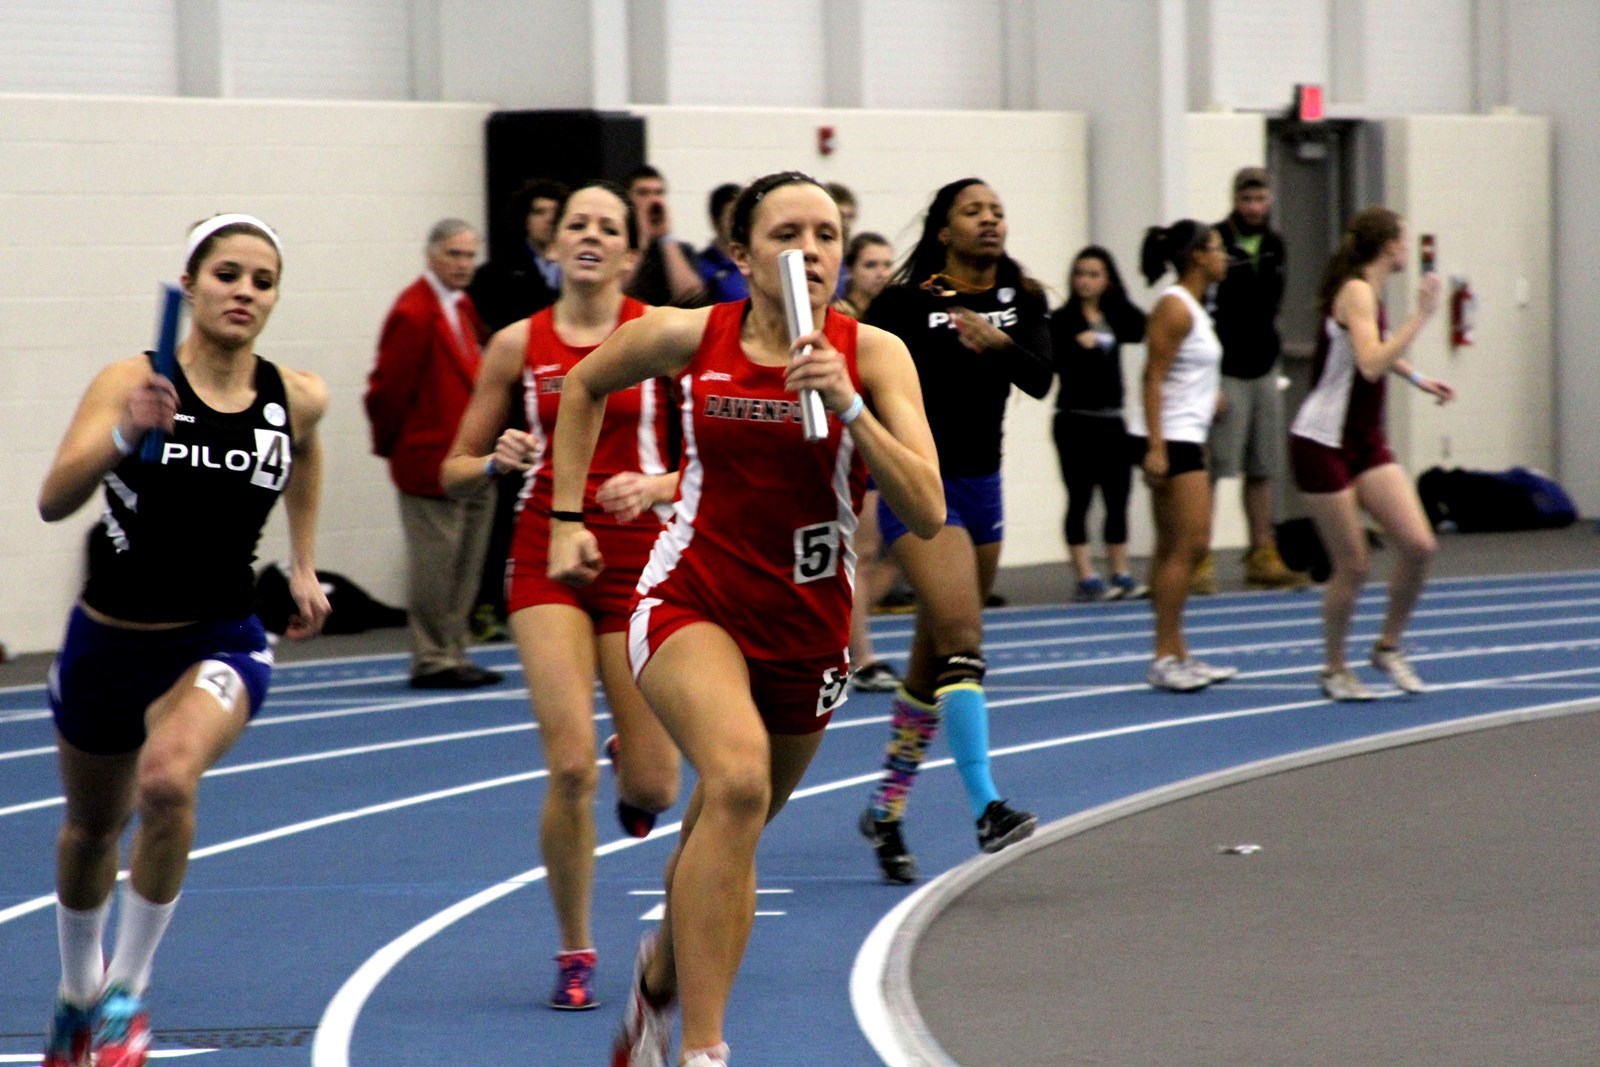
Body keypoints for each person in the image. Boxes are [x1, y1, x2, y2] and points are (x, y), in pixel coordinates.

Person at [548, 171, 942, 1067]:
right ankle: (706, 1050)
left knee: (723, 834)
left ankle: (655, 988)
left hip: (807, 630)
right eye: (786, 233)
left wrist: (848, 405)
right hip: (693, 598)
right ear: (742, 255)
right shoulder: (694, 334)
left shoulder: (874, 355)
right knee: (735, 782)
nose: (811, 249)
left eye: (828, 233)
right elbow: (582, 386)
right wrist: (568, 518)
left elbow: (924, 509)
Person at [35, 214, 332, 1067]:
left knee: (167, 780)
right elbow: (55, 499)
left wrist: (304, 563)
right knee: (91, 830)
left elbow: (307, 445)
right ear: (192, 283)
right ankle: (75, 993)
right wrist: (129, 430)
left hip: (220, 638)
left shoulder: (293, 391)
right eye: (228, 274)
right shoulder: (133, 377)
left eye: (262, 280)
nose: (245, 292)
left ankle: (126, 993)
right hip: (108, 641)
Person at [440, 182, 681, 1012]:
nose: (589, 235)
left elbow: (719, 458)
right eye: (577, 222)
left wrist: (657, 483)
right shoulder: (516, 344)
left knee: (656, 788)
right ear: (554, 244)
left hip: (640, 555)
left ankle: (634, 766)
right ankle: (576, 946)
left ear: (629, 251)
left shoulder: (665, 333)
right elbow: (452, 467)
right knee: (569, 761)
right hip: (547, 550)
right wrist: (495, 461)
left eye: (607, 226)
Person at [858, 177, 1051, 885]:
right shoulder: (908, 303)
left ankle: (884, 808)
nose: (990, 220)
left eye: (997, 210)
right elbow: (864, 372)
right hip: (915, 483)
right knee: (965, 637)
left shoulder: (1023, 297)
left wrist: (997, 343)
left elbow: (1041, 378)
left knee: (935, 661)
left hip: (982, 484)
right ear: (943, 229)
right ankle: (987, 806)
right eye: (974, 212)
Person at [1290, 206, 1452, 701]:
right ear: (1389, 247)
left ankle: (1387, 646)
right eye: (1404, 240)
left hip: (1364, 440)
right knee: (1354, 564)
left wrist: (1419, 378)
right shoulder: (1358, 290)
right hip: (1323, 442)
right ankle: (1335, 668)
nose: (1409, 249)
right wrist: (1423, 315)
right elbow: (1368, 363)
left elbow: (1377, 350)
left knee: (1419, 545)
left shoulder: (1368, 290)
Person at [365, 219, 503, 689]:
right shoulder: (414, 312)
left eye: (469, 256)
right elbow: (386, 391)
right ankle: (432, 656)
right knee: (436, 566)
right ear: (430, 256)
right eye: (453, 255)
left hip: (473, 461)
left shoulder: (462, 307)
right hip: (429, 461)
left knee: (465, 564)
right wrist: (395, 448)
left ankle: (454, 649)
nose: (463, 265)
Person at [1128, 220, 1236, 692]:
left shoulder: (1194, 306)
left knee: (1177, 545)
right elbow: (1152, 377)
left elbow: (1182, 375)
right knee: (1190, 545)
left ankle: (1178, 652)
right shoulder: (1174, 307)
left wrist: (1207, 398)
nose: (1225, 257)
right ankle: (1163, 656)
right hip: (1169, 438)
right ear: (1197, 256)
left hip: (1185, 432)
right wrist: (1155, 447)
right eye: (1218, 249)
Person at [1200, 166, 1309, 594]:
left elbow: (1273, 304)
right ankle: (1199, 554)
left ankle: (1261, 552)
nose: (1253, 207)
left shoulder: (1276, 244)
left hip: (1265, 366)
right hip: (1226, 369)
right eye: (1246, 200)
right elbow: (1205, 312)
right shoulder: (1215, 242)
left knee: (1263, 466)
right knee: (1215, 467)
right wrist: (1208, 381)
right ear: (1235, 200)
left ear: (1270, 201)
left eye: (1260, 200)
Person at [1049, 245, 1148, 602]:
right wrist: (1078, 346)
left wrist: (1116, 299)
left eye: (1094, 274)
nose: (1085, 281)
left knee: (1117, 498)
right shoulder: (1061, 319)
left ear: (1107, 280)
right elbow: (1053, 360)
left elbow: (1144, 328)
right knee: (1080, 497)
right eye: (1080, 274)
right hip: (1075, 421)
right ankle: (1086, 575)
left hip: (1112, 419)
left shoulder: (1117, 315)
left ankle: (1120, 571)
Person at [835, 232, 904, 693]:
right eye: (871, 265)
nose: (881, 273)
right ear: (852, 271)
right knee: (860, 554)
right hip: (849, 445)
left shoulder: (895, 319)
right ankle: (861, 657)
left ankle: (843, 639)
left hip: (884, 441)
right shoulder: (839, 318)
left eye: (886, 264)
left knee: (893, 553)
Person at [468, 178, 568, 332]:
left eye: (556, 213)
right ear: (524, 219)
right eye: (539, 212)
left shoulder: (578, 266)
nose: (550, 219)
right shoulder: (496, 273)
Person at [624, 165, 709, 308]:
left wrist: (666, 237)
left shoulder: (680, 250)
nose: (653, 200)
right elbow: (616, 290)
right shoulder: (618, 245)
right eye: (643, 193)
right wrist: (642, 242)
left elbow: (691, 296)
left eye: (659, 193)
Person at [697, 182, 749, 302]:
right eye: (732, 217)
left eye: (743, 216)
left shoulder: (756, 263)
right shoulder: (700, 268)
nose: (740, 224)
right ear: (715, 221)